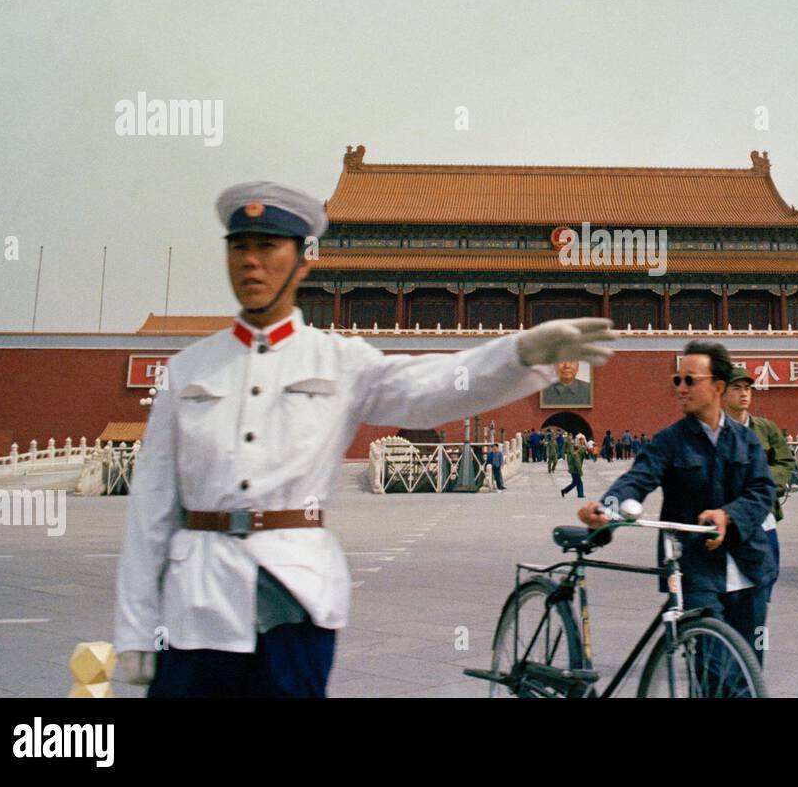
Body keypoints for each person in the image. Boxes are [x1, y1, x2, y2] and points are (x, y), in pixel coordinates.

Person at [112, 181, 616, 697]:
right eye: (239, 247)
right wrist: (135, 626)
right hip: (197, 603)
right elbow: (151, 506)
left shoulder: (339, 361)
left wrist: (518, 354)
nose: (251, 263)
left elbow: (434, 388)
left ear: (304, 260)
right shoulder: (187, 371)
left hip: (296, 599)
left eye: (268, 247)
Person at [577, 341, 775, 663]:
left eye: (689, 380)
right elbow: (637, 479)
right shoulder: (670, 441)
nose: (680, 388)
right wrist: (607, 509)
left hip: (748, 565)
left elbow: (763, 491)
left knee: (748, 669)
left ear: (717, 387)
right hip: (694, 569)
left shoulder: (746, 439)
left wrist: (729, 516)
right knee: (710, 666)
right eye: (676, 380)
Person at [722, 367, 796, 600]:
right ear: (722, 393)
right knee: (731, 582)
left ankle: (755, 625)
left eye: (747, 388)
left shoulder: (765, 428)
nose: (744, 393)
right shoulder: (716, 430)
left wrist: (761, 484)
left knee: (768, 573)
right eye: (736, 388)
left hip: (763, 516)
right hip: (728, 517)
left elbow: (785, 462)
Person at [560, 433, 585, 499]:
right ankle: (579, 494)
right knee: (577, 482)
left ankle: (580, 494)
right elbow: (563, 449)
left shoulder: (574, 445)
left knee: (576, 482)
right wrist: (563, 455)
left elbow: (581, 449)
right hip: (574, 468)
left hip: (573, 467)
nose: (571, 437)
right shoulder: (568, 445)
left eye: (571, 436)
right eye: (570, 436)